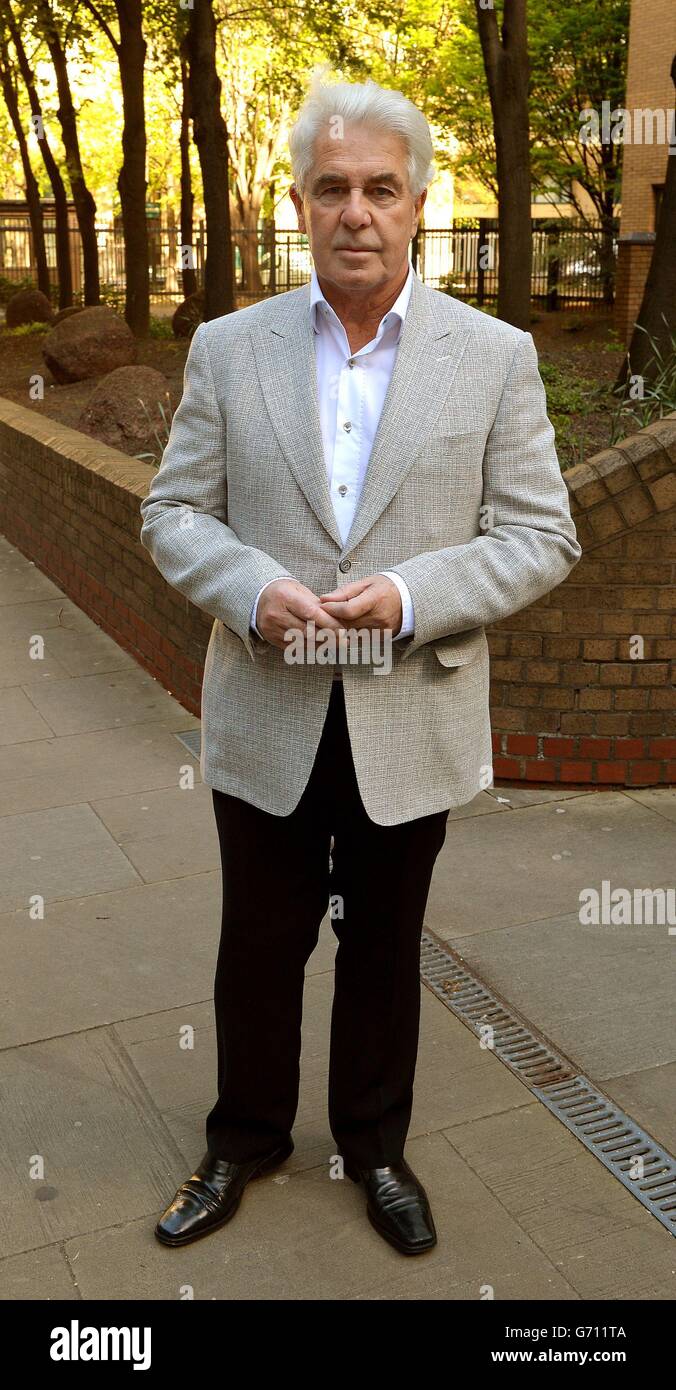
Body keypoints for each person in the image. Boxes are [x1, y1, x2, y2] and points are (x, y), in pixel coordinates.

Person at [139, 75, 581, 1257]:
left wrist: (409, 596)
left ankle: (375, 1148)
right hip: (267, 702)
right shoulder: (231, 349)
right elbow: (173, 512)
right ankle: (242, 1139)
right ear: (299, 202)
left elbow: (542, 536)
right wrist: (250, 587)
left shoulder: (492, 357)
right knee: (258, 941)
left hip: (407, 709)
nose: (356, 212)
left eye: (380, 189)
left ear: (419, 205)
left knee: (385, 946)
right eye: (332, 188)